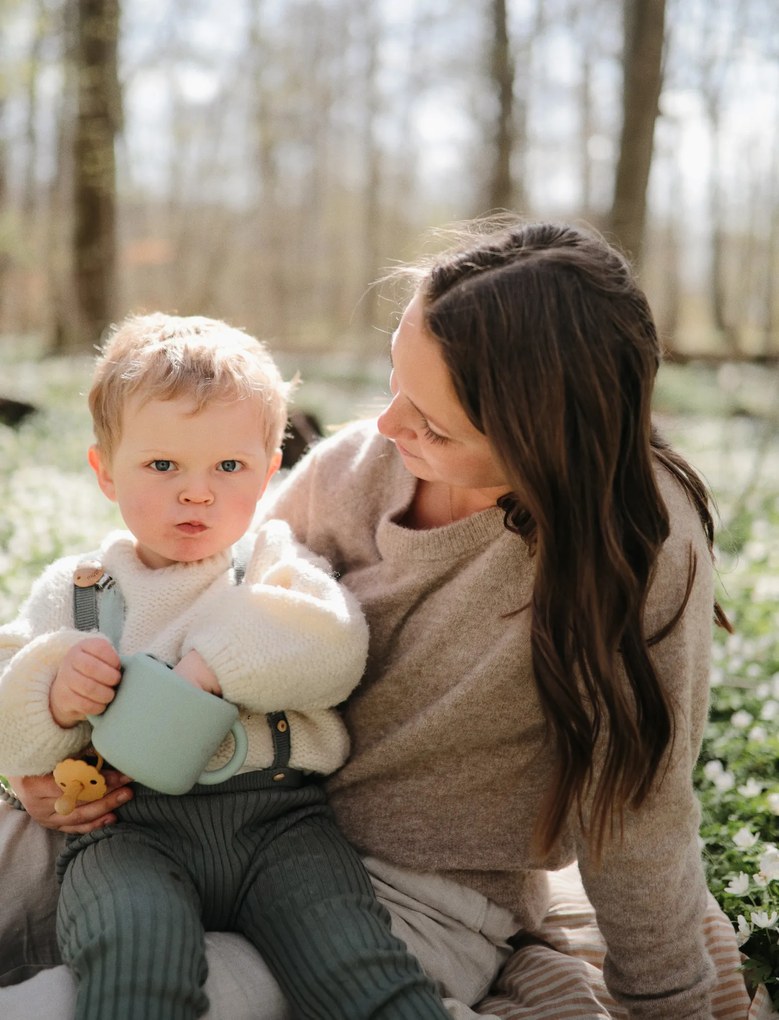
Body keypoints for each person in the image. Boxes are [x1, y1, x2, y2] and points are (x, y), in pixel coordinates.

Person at [0, 220, 753, 1020]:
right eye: (395, 383)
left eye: (434, 423)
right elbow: (205, 592)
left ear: (543, 441)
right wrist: (40, 779)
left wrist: (667, 1000)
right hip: (180, 808)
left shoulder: (636, 543)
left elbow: (633, 798)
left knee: (125, 995)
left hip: (408, 890)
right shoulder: (357, 466)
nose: (389, 427)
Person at [0, 313, 450, 1020]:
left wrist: (209, 667)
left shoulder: (272, 564)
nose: (197, 492)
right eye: (162, 466)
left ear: (270, 471)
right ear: (104, 472)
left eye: (229, 467)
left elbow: (333, 648)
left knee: (356, 968)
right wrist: (54, 694)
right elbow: (12, 732)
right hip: (128, 837)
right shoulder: (78, 589)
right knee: (135, 960)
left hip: (280, 826)